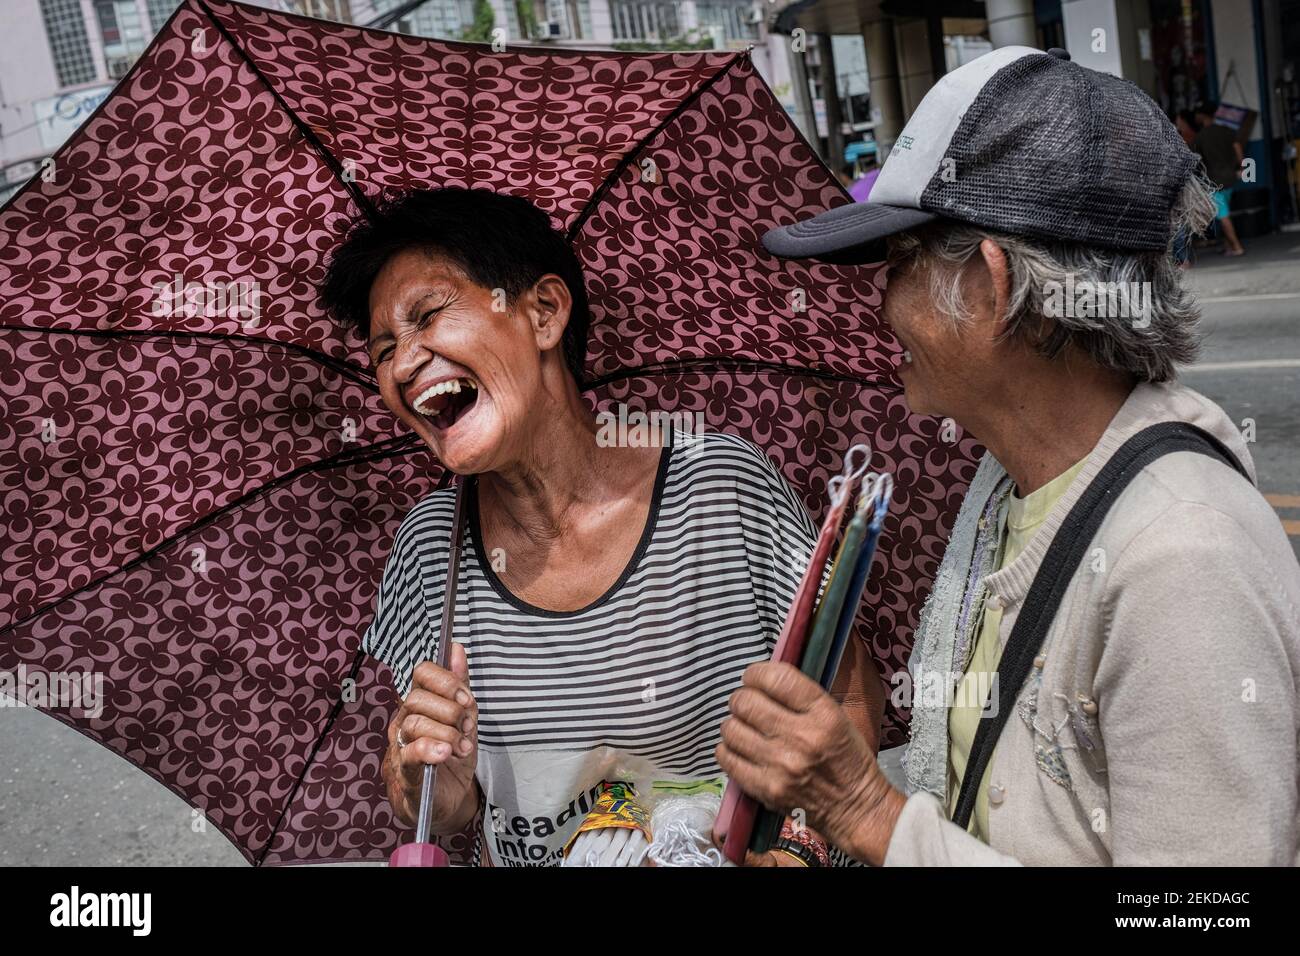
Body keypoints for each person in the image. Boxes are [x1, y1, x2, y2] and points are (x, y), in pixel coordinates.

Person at [718, 46, 1300, 865]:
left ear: (993, 288)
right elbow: (993, 795)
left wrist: (865, 810)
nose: (878, 303)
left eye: (900, 262)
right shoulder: (1004, 482)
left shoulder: (1184, 557)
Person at [319, 187, 875, 866]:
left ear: (545, 311)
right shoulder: (431, 546)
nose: (403, 365)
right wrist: (426, 778)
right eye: (382, 351)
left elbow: (843, 695)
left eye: (429, 315)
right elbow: (445, 808)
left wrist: (799, 854)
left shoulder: (718, 486)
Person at [1193, 102, 1246, 256]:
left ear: (1202, 116)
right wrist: (1243, 168)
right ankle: (1229, 245)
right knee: (1225, 212)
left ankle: (1237, 247)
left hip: (1214, 181)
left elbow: (1197, 161)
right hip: (1230, 178)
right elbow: (1238, 148)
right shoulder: (1227, 131)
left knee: (1223, 215)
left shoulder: (1201, 137)